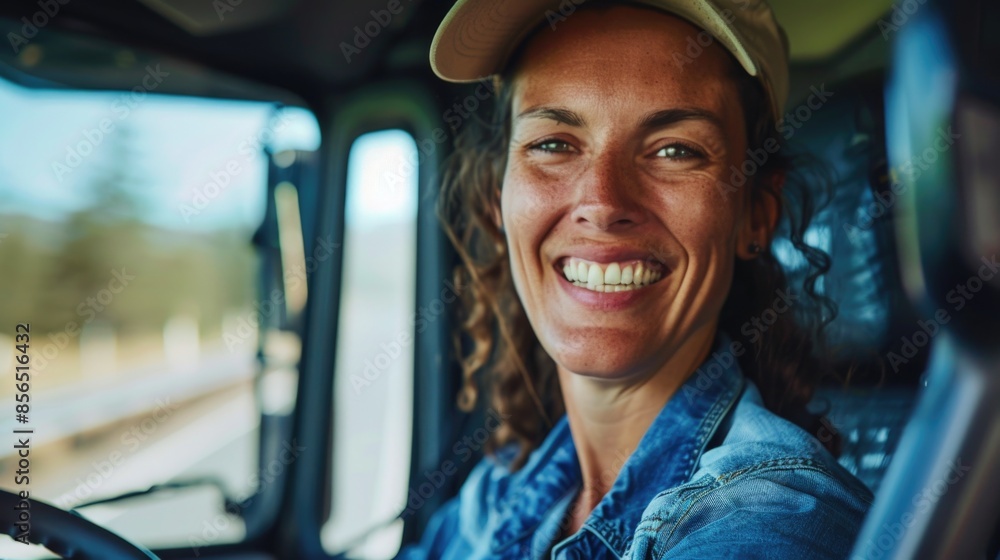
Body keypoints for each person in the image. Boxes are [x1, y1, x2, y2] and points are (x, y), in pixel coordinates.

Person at [399, 0, 873, 558]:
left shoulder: (770, 519)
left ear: (756, 214)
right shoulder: (500, 493)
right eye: (553, 144)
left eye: (674, 150)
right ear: (497, 200)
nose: (602, 203)